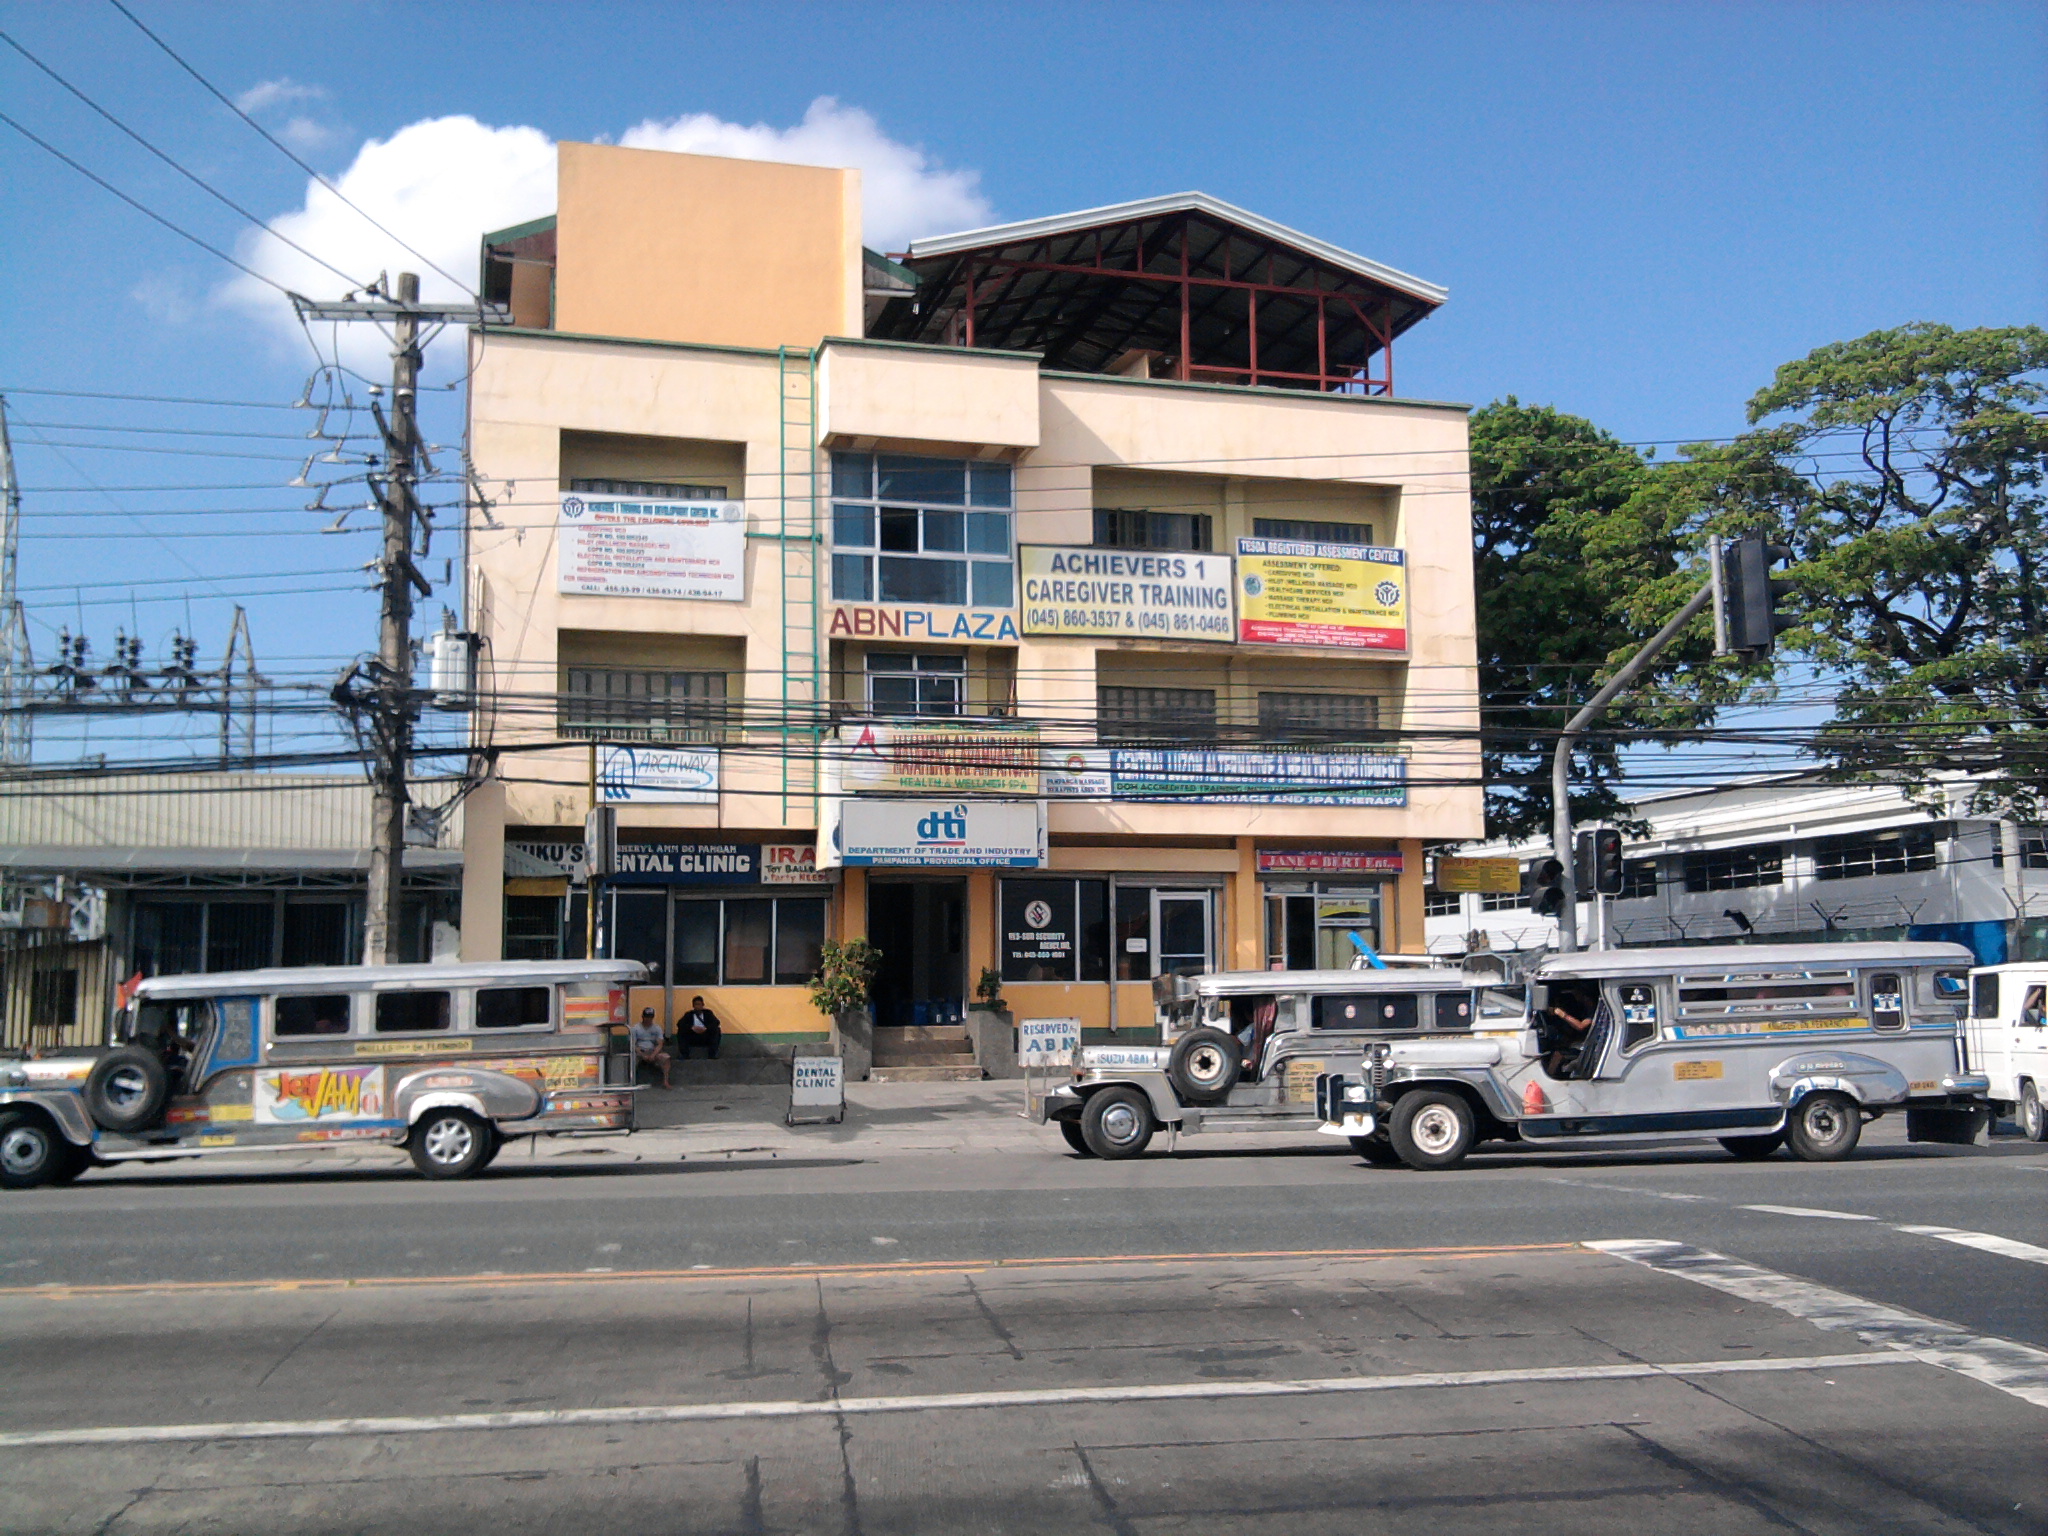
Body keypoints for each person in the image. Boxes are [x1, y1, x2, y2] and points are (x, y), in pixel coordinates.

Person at [1539, 987, 1596, 1078]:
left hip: (1587, 1047)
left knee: (1558, 1054)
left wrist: (1562, 1014)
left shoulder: (1593, 1011)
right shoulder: (1581, 1009)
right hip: (1575, 1042)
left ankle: (1549, 1076)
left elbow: (1580, 1026)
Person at [629, 1007, 672, 1088]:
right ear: (643, 1017)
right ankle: (631, 1081)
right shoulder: (635, 1028)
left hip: (653, 1051)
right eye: (646, 1017)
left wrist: (653, 1054)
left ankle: (665, 1081)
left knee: (666, 1058)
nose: (648, 1019)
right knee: (632, 1059)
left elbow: (660, 1043)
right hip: (639, 1051)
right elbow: (632, 1044)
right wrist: (642, 1055)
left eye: (650, 1017)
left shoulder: (657, 1028)